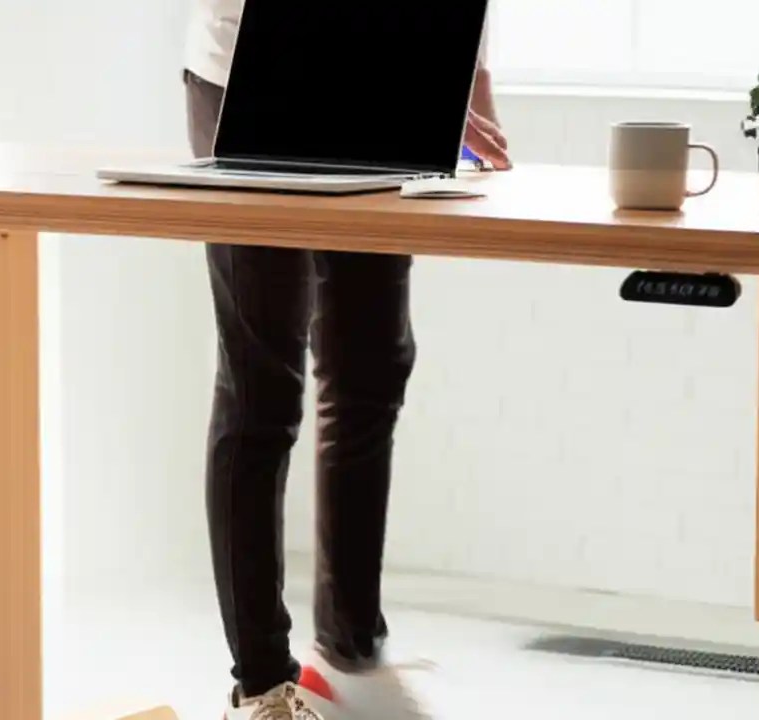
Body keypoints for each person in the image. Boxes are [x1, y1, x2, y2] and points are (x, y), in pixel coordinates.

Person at [184, 2, 511, 718]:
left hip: (385, 66)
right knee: (262, 383)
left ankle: (353, 652)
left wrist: (466, 69)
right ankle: (263, 681)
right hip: (244, 67)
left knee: (371, 364)